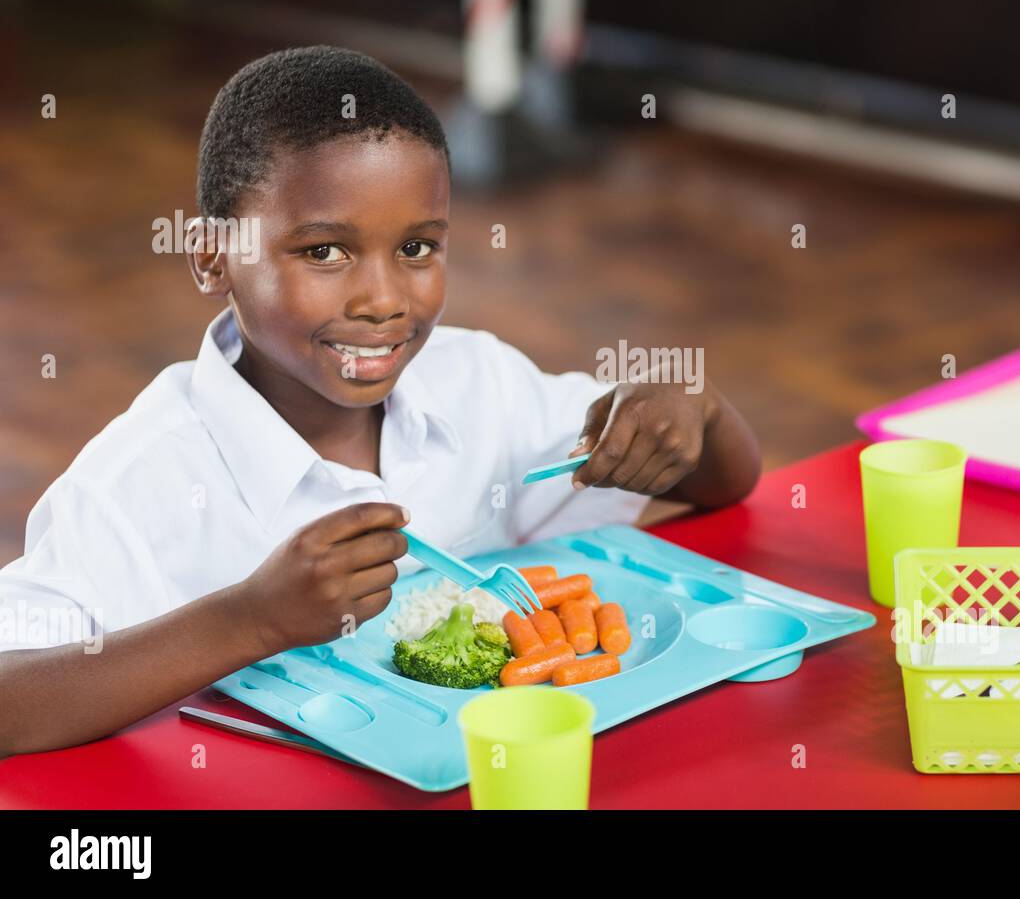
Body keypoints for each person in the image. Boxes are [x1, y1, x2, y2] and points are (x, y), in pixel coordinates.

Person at [0, 46, 760, 755]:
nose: (383, 300)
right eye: (323, 251)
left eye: (417, 248)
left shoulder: (478, 383)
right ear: (211, 256)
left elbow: (720, 480)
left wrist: (698, 408)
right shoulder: (134, 487)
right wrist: (247, 620)